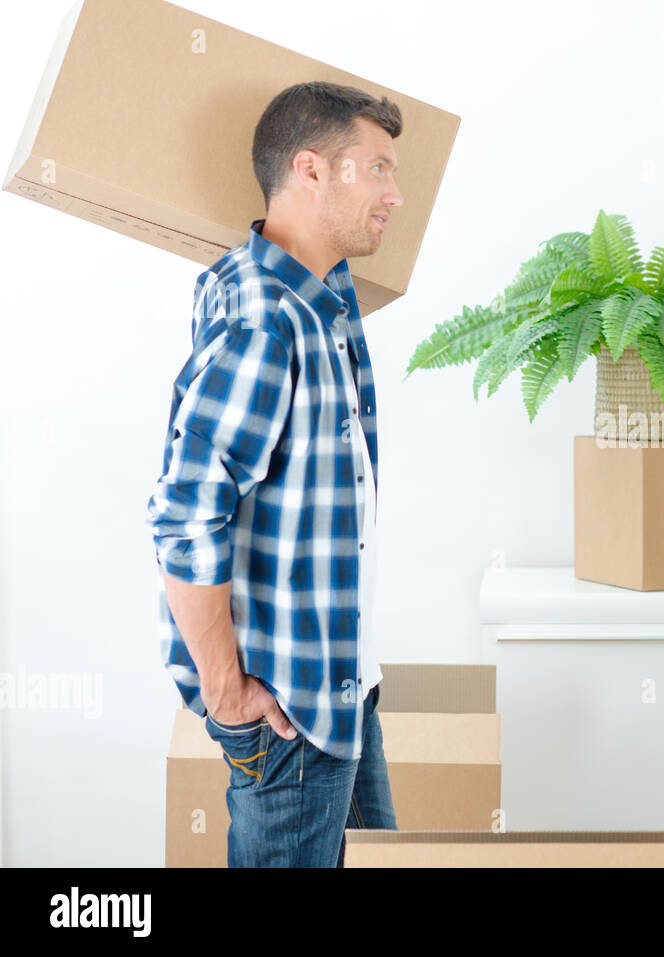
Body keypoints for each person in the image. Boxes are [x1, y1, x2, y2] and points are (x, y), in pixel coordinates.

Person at [145, 81, 405, 866]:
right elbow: (186, 515)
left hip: (340, 690)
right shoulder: (265, 321)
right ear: (311, 170)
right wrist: (226, 691)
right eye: (379, 169)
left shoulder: (319, 295)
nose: (395, 196)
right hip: (290, 717)